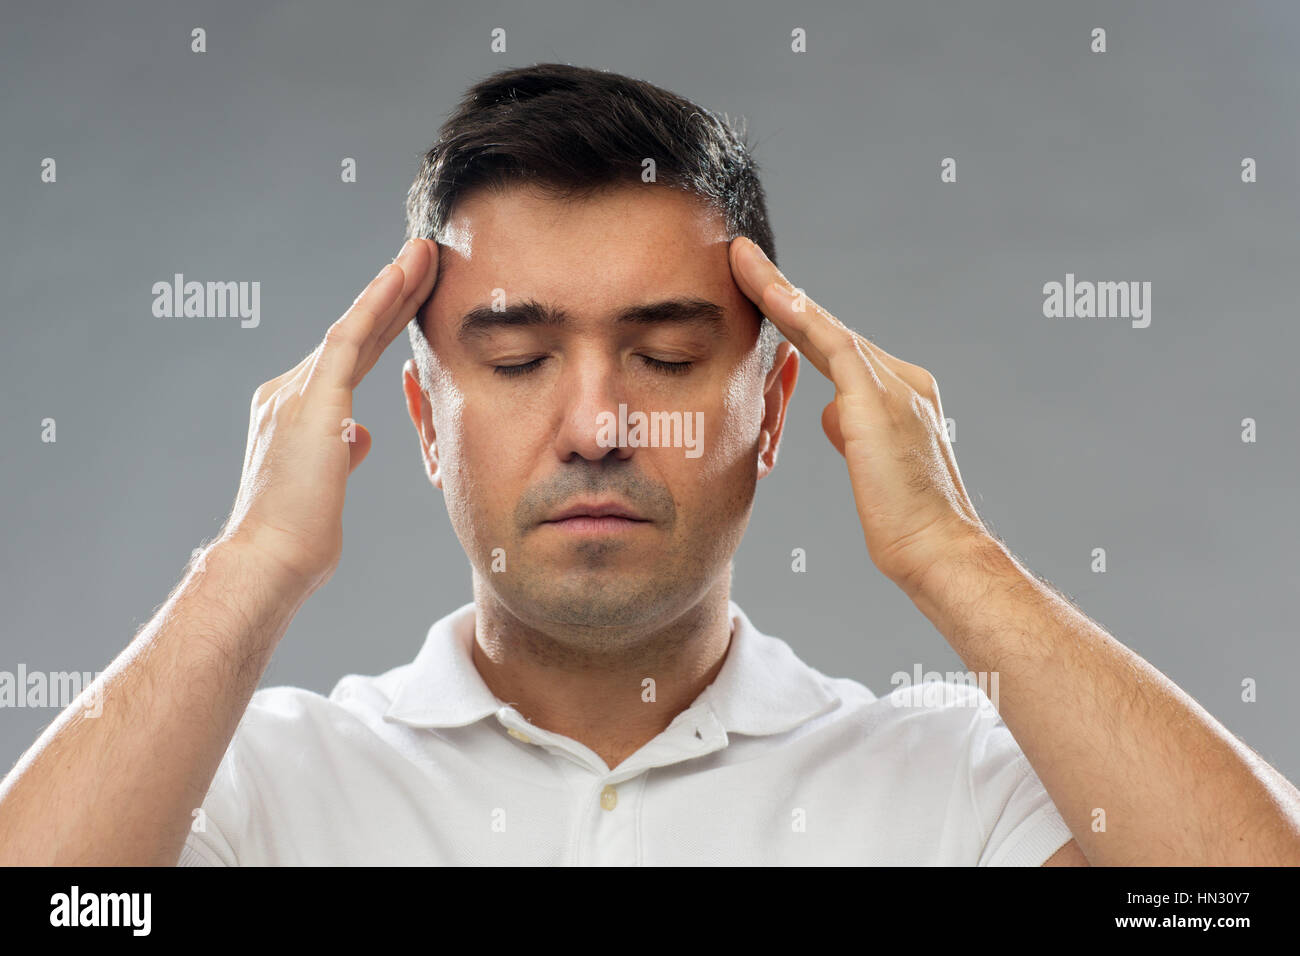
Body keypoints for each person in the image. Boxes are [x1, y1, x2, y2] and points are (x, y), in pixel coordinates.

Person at [2, 63, 1297, 866]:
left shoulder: (954, 790)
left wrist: (951, 556)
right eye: (515, 363)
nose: (598, 425)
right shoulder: (255, 786)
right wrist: (253, 566)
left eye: (669, 357)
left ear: (777, 407)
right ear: (423, 418)